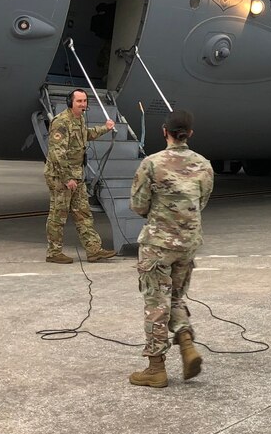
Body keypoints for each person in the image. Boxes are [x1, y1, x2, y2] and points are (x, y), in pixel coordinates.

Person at [128, 109, 215, 388]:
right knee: (176, 298)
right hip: (187, 243)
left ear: (164, 132)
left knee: (156, 304)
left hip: (158, 244)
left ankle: (156, 368)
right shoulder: (204, 165)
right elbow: (200, 202)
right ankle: (187, 344)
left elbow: (138, 205)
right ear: (189, 134)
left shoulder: (152, 164)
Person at [44, 89, 116, 263]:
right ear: (71, 102)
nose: (83, 104)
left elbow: (86, 135)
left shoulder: (79, 119)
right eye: (79, 101)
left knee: (83, 213)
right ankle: (54, 252)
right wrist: (67, 178)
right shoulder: (61, 122)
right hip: (60, 176)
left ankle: (93, 250)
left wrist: (105, 129)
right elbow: (57, 154)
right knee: (58, 214)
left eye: (84, 101)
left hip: (77, 174)